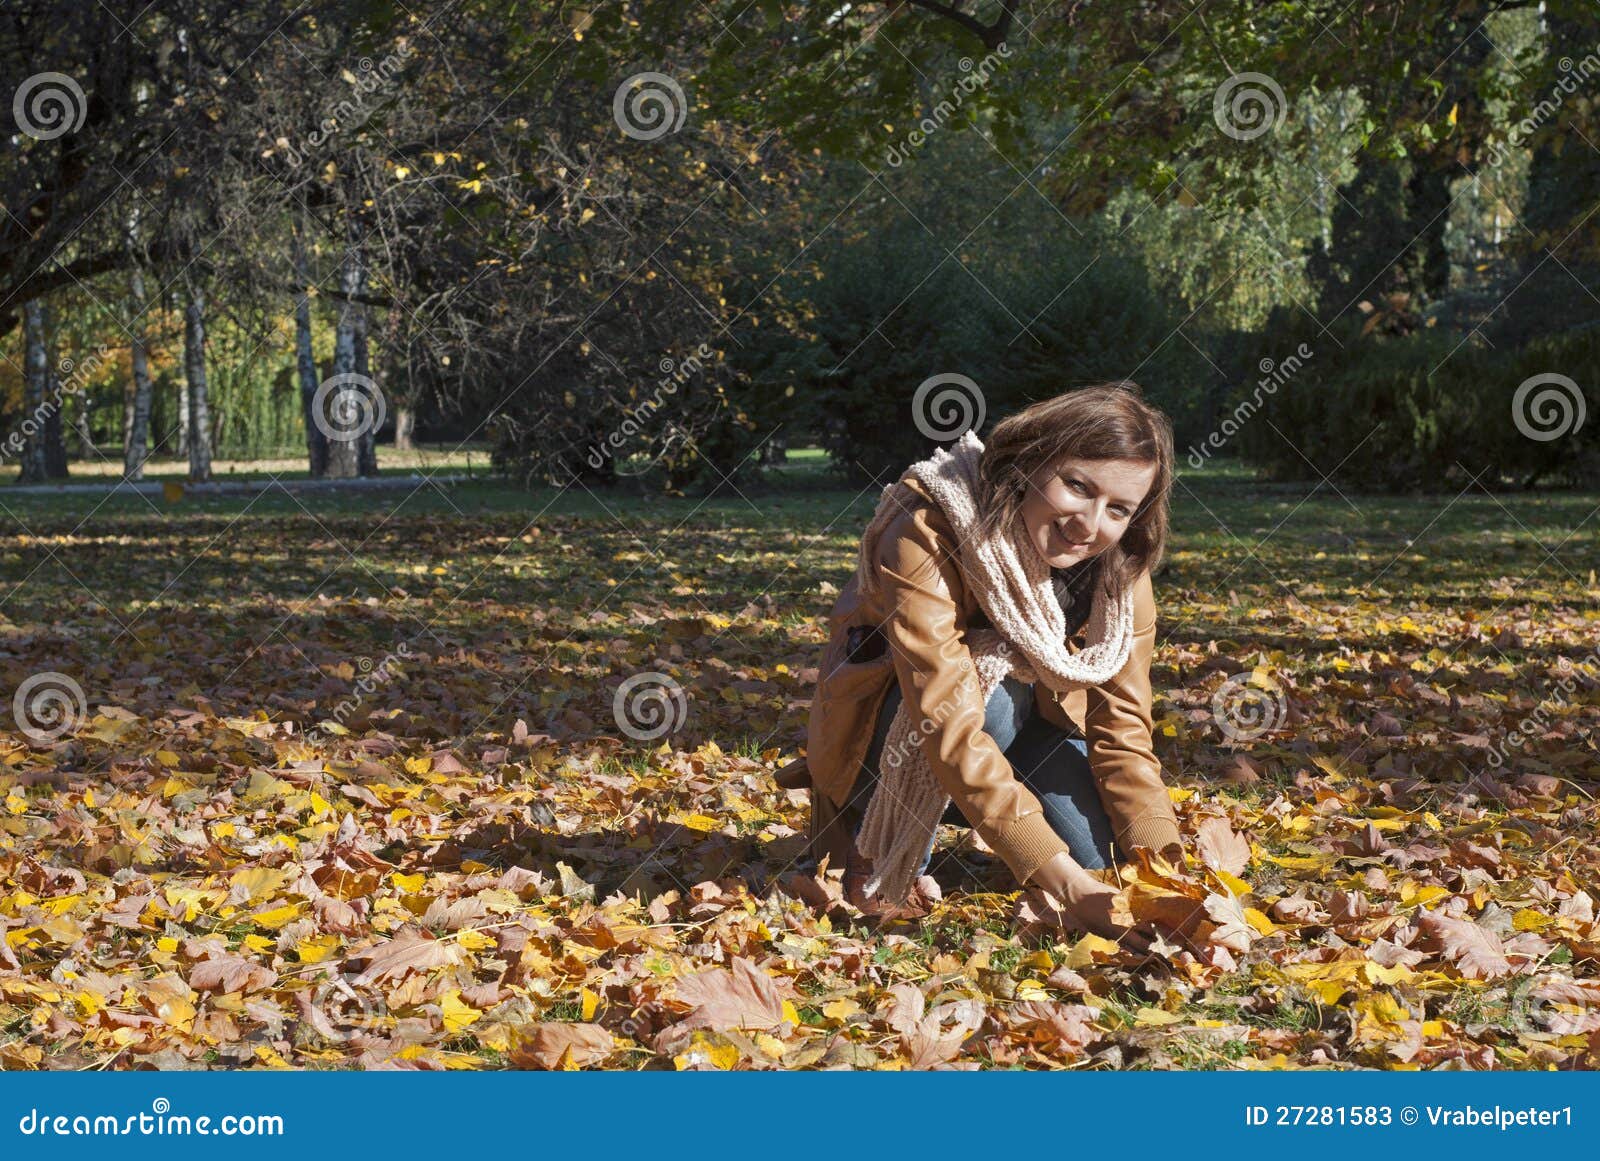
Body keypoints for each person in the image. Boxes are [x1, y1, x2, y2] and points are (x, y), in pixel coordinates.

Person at [777, 382, 1185, 945]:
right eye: (1076, 486)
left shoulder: (1119, 570)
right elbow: (945, 717)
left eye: (1118, 509)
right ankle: (882, 851)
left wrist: (1170, 874)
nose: (1089, 525)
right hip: (897, 739)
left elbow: (1124, 731)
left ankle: (1012, 830)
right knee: (992, 689)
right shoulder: (929, 524)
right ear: (1027, 464)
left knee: (1106, 861)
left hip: (1029, 736)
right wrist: (1067, 888)